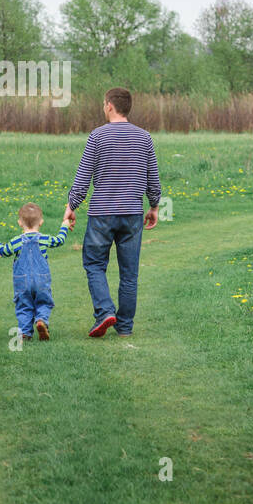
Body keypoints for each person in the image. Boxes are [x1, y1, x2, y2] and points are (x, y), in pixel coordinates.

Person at [63, 87, 161, 338]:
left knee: (94, 264)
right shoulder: (144, 138)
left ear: (109, 105)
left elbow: (84, 175)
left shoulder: (97, 136)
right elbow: (153, 178)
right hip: (132, 214)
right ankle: (125, 327)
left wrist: (71, 206)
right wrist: (154, 206)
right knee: (130, 272)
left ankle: (105, 311)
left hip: (101, 214)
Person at [0, 203, 69, 341]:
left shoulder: (16, 241)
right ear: (41, 222)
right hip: (41, 280)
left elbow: (3, 251)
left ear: (19, 223)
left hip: (22, 281)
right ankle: (41, 320)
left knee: (24, 305)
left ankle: (25, 332)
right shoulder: (44, 239)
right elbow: (60, 240)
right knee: (44, 302)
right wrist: (65, 225)